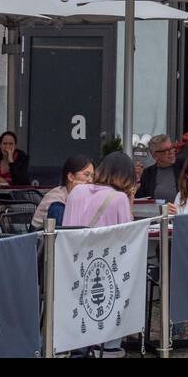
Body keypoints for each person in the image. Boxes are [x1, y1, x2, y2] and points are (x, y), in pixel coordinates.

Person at [62, 151, 138, 359]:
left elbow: (68, 229)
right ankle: (109, 347)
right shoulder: (120, 198)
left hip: (73, 265)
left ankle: (78, 345)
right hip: (105, 269)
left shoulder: (77, 192)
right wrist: (130, 201)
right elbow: (127, 238)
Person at [32, 154, 94, 229]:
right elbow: (65, 230)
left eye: (92, 176)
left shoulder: (82, 196)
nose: (91, 180)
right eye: (86, 175)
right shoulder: (56, 199)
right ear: (71, 177)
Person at [139, 135, 182, 203]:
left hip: (180, 212)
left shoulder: (184, 168)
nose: (171, 152)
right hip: (156, 213)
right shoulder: (148, 173)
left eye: (172, 148)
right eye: (166, 150)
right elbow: (141, 199)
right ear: (155, 155)